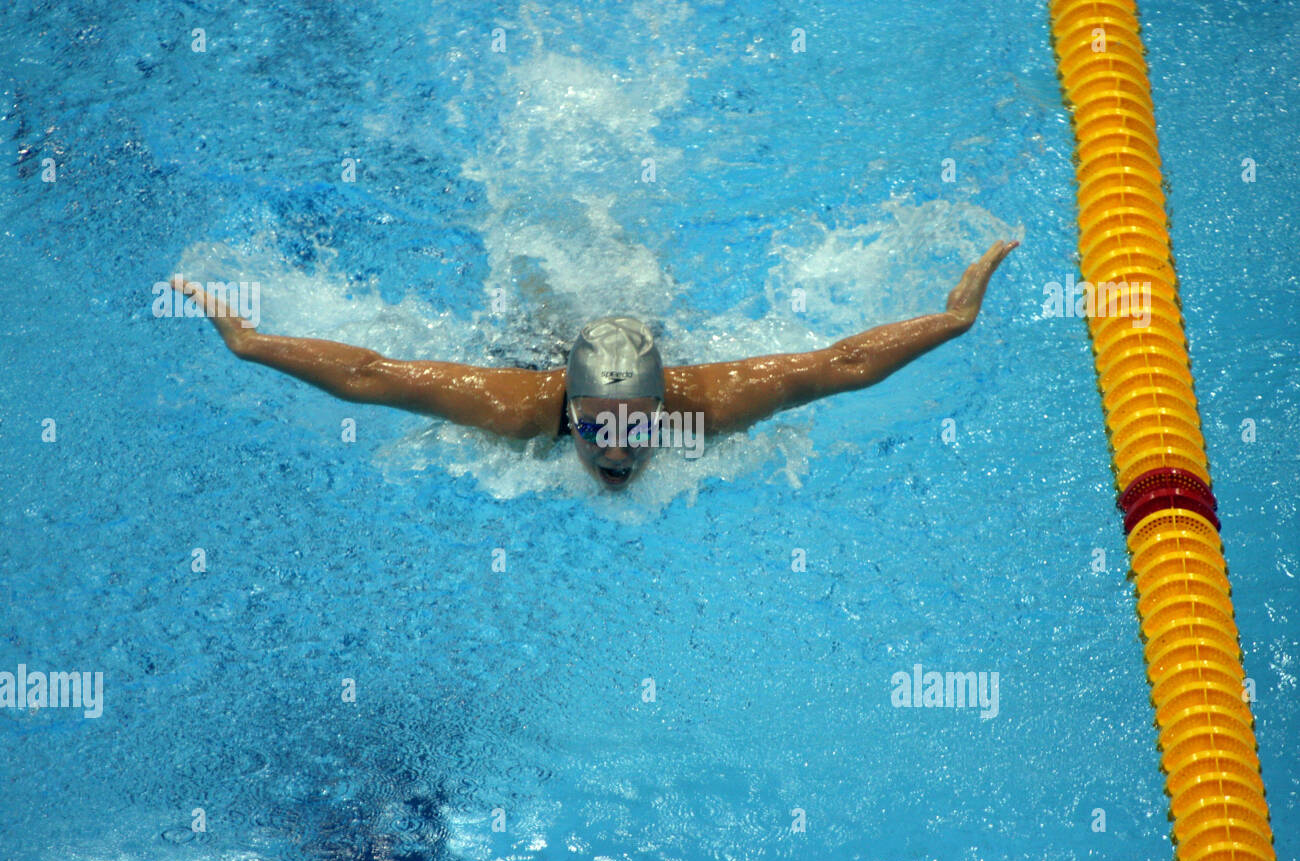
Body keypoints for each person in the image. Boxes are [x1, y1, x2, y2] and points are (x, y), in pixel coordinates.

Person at [171, 239, 1018, 490]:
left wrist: (953, 319)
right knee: (532, 307)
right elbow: (372, 374)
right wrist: (251, 344)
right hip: (540, 354)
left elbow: (844, 364)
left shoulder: (708, 404)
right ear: (571, 411)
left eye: (632, 431)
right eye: (599, 432)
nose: (617, 455)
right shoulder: (515, 407)